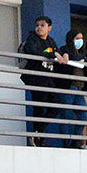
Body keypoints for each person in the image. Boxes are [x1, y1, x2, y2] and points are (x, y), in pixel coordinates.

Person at [18, 15, 66, 145]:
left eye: (42, 25)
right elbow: (33, 52)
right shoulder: (32, 39)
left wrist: (64, 55)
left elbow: (59, 53)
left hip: (48, 78)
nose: (39, 27)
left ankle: (37, 133)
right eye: (37, 25)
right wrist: (53, 54)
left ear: (49, 28)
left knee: (55, 106)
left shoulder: (50, 41)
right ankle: (37, 136)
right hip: (36, 78)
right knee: (40, 106)